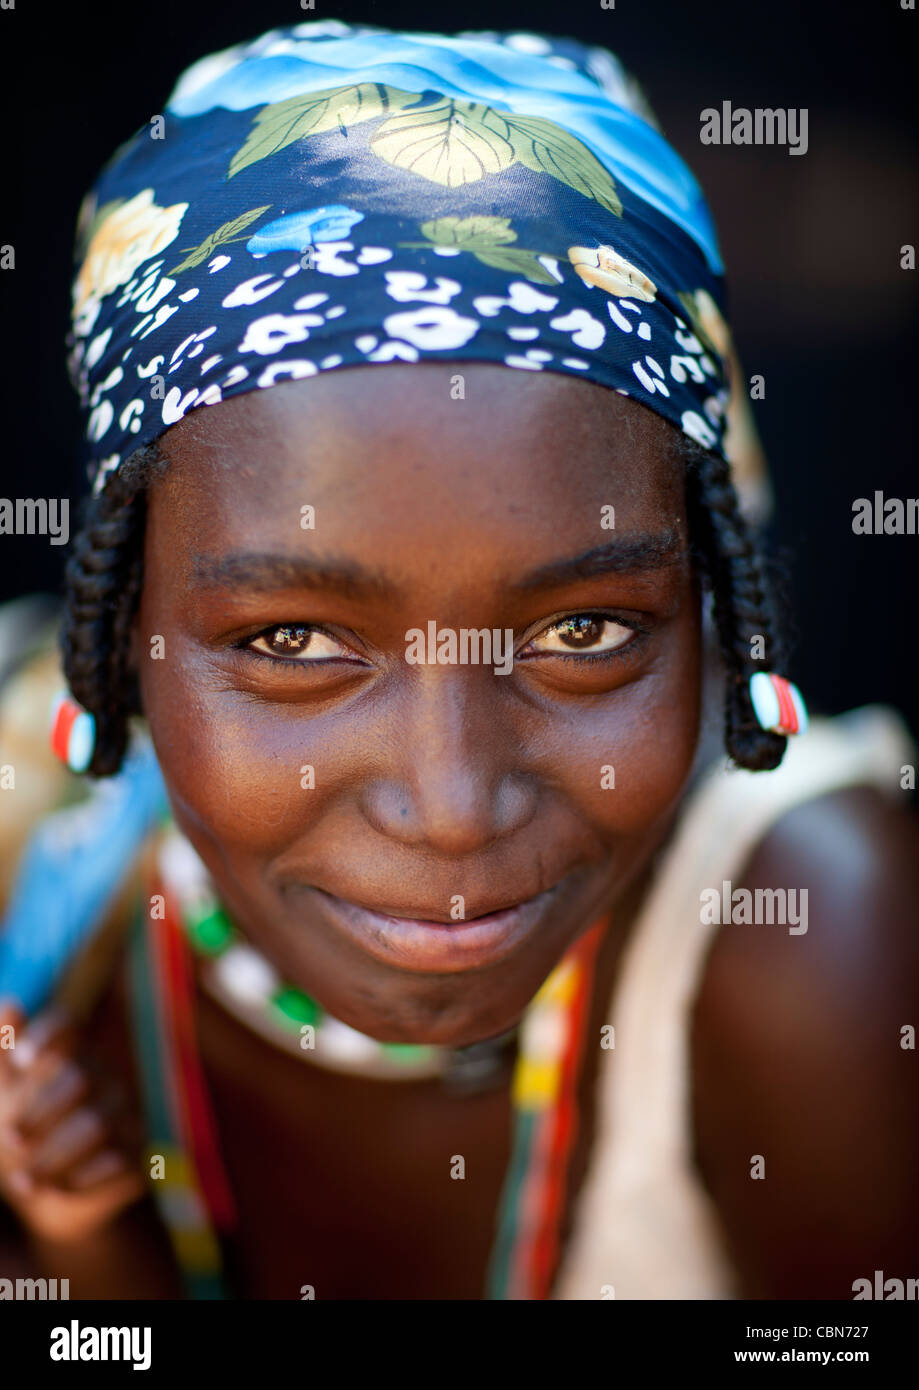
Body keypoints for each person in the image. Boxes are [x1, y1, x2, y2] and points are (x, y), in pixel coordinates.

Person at [0, 20, 916, 1301]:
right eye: (294, 641)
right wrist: (83, 1250)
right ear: (119, 636)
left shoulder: (805, 943)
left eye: (582, 635)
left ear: (714, 611)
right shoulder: (37, 899)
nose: (448, 806)